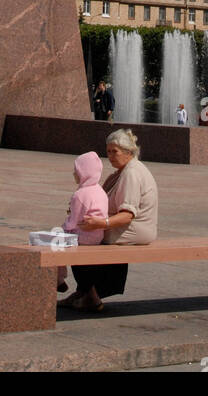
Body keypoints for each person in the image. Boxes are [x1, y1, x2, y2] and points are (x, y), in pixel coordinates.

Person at [63, 127, 158, 313]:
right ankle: (84, 291)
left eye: (115, 151)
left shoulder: (131, 173)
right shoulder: (122, 171)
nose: (110, 156)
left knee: (80, 238)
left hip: (133, 229)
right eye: (108, 152)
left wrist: (100, 223)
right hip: (126, 226)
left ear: (128, 151)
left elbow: (127, 215)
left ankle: (89, 293)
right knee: (82, 232)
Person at [55, 151, 109, 294]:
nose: (74, 174)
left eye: (76, 171)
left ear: (84, 173)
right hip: (97, 236)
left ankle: (58, 279)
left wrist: (61, 230)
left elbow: (72, 222)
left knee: (55, 239)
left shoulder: (80, 195)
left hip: (83, 237)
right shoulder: (100, 191)